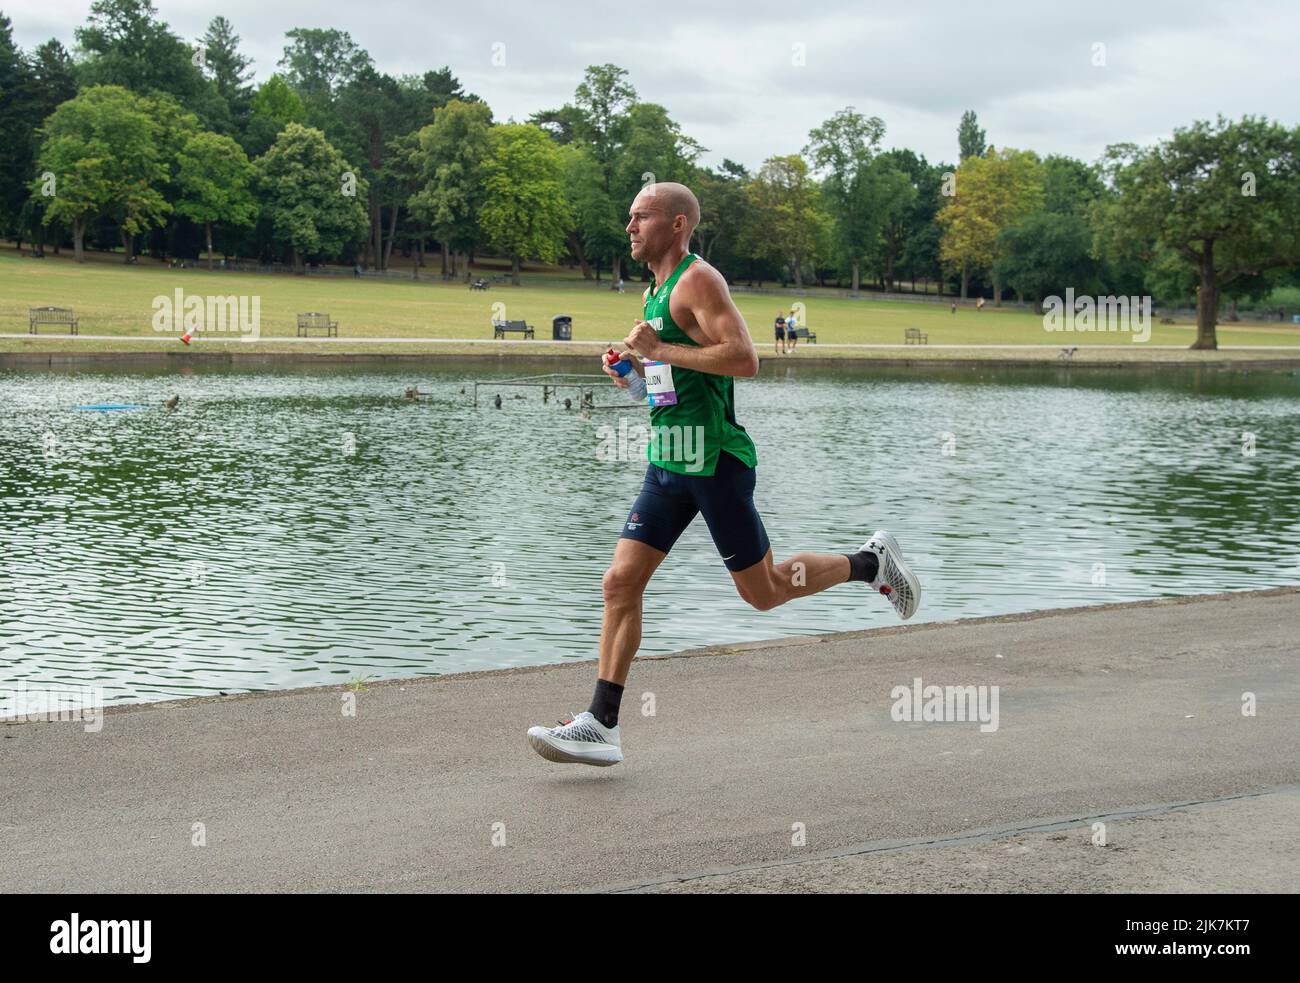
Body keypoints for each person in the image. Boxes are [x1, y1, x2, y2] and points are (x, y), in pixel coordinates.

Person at [525, 181, 922, 767]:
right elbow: (669, 386)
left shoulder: (698, 280)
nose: (630, 228)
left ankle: (869, 564)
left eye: (642, 217)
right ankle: (600, 723)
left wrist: (658, 350)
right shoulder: (654, 288)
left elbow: (745, 359)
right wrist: (632, 375)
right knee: (619, 583)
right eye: (629, 218)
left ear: (678, 224)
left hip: (714, 461)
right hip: (668, 459)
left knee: (761, 592)